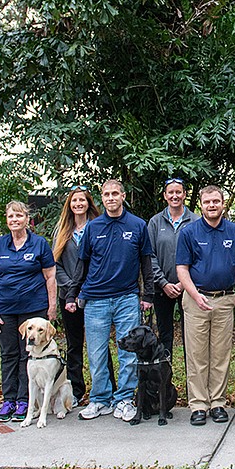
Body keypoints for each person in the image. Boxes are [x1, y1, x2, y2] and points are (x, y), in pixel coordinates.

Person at [74, 179, 154, 423]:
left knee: (128, 353)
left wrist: (148, 294)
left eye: (115, 194)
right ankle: (100, 399)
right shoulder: (93, 227)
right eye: (106, 194)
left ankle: (124, 400)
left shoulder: (138, 225)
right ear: (102, 197)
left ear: (123, 195)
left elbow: (146, 262)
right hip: (95, 299)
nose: (111, 198)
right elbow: (83, 264)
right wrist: (73, 293)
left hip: (127, 297)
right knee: (97, 353)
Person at [176, 185, 235, 426]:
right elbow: (182, 269)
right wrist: (195, 295)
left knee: (220, 355)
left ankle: (218, 402)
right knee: (197, 356)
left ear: (223, 203)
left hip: (225, 299)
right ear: (201, 204)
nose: (212, 205)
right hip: (197, 300)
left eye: (216, 201)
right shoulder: (189, 232)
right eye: (207, 202)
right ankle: (198, 405)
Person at [0, 201, 58, 422]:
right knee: (8, 354)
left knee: (28, 354)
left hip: (33, 309)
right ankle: (8, 400)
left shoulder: (39, 244)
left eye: (19, 216)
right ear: (6, 220)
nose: (14, 220)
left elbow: (50, 276)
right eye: (10, 217)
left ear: (27, 219)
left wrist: (52, 307)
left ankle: (25, 401)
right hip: (5, 309)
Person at [51, 185, 102, 404]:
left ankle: (105, 388)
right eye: (74, 201)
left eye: (82, 200)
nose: (78, 204)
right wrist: (71, 288)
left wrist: (86, 287)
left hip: (94, 294)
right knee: (74, 345)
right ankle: (76, 389)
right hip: (68, 296)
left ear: (89, 203)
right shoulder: (62, 231)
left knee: (98, 344)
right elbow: (55, 264)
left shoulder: (99, 227)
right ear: (69, 205)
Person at [146, 178, 198, 360]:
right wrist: (163, 283)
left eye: (178, 192)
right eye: (171, 192)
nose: (175, 196)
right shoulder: (154, 222)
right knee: (165, 336)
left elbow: (199, 256)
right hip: (162, 289)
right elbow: (149, 255)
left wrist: (184, 283)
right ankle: (164, 382)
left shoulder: (196, 221)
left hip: (190, 290)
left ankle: (192, 385)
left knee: (191, 338)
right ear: (165, 196)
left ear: (184, 195)